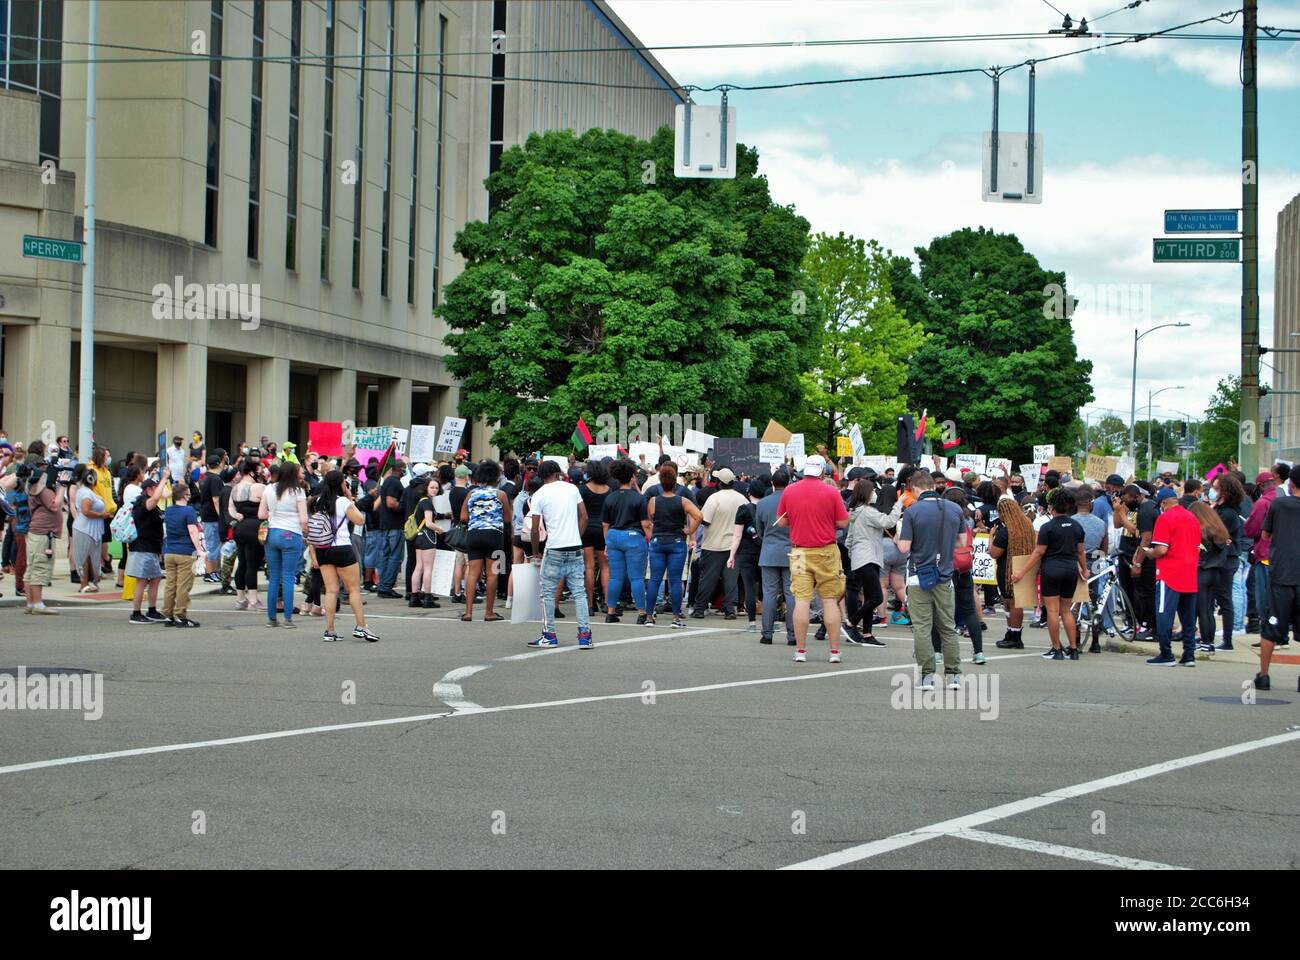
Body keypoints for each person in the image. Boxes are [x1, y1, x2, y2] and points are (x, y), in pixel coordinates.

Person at [777, 455, 849, 665]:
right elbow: (843, 522)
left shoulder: (790, 491)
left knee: (801, 600)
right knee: (829, 601)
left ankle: (801, 650)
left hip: (799, 552)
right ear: (823, 472)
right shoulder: (831, 491)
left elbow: (782, 522)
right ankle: (834, 652)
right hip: (826, 551)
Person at [896, 469, 964, 688]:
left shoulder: (912, 511)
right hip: (945, 575)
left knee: (922, 627)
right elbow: (961, 542)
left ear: (915, 488)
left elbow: (904, 547)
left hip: (919, 576)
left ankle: (927, 676)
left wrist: (899, 536)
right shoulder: (954, 509)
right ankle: (953, 674)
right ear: (933, 486)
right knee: (948, 626)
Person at [1012, 488, 1087, 660]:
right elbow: (1080, 552)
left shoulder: (1047, 527)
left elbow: (1038, 552)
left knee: (1053, 611)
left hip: (1052, 569)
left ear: (1052, 507)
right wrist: (1084, 569)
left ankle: (1056, 648)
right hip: (1071, 569)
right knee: (1066, 610)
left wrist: (1021, 573)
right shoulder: (1077, 526)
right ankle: (1074, 649)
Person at [307, 470, 379, 642]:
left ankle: (329, 631)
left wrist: (313, 554)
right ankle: (361, 626)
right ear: (341, 484)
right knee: (353, 589)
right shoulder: (343, 501)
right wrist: (350, 498)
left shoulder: (317, 502)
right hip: (342, 548)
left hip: (323, 548)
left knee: (331, 590)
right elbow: (359, 520)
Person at [527, 459, 592, 649]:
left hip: (554, 547)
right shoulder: (571, 489)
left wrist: (535, 551)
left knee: (547, 593)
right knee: (579, 592)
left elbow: (534, 528)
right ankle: (585, 635)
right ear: (557, 472)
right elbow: (584, 517)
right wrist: (576, 536)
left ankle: (549, 635)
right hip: (574, 546)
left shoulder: (539, 495)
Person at [1144, 487, 1201, 667]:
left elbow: (1161, 549)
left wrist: (1150, 553)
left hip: (1169, 572)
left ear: (1163, 503)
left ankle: (1166, 653)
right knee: (1188, 617)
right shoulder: (1192, 518)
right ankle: (1189, 654)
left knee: (1164, 614)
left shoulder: (1164, 518)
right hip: (1190, 571)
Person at [1255, 470, 1300, 690]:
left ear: (1291, 484)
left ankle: (1264, 675)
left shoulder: (1279, 505)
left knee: (1271, 627)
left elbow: (1265, 535)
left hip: (1282, 573)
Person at [842, 477, 900, 647]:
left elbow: (849, 540)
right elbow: (889, 522)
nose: (875, 494)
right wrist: (899, 504)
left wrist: (854, 555)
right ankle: (851, 623)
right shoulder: (868, 512)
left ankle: (867, 634)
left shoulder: (856, 512)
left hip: (862, 558)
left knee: (869, 596)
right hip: (869, 558)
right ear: (867, 493)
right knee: (876, 597)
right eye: (873, 491)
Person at [646, 462, 701, 631]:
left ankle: (649, 616)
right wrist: (690, 530)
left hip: (658, 541)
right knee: (676, 580)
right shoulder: (682, 500)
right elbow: (698, 515)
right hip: (677, 542)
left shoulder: (654, 501)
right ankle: (676, 617)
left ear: (660, 481)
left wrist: (656, 529)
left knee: (655, 579)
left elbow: (650, 521)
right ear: (675, 481)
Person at [458, 459, 511, 622]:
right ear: (496, 477)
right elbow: (508, 518)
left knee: (473, 573)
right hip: (495, 536)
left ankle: (468, 612)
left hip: (474, 535)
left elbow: (463, 517)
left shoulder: (471, 494)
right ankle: (489, 612)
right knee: (493, 573)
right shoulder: (500, 494)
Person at [258, 460, 309, 627]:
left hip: (272, 532)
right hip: (291, 533)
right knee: (288, 576)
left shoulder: (269, 488)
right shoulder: (298, 491)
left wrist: (274, 515)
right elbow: (303, 519)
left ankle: (272, 618)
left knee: (274, 577)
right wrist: (305, 532)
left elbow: (261, 514)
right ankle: (288, 618)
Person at [602, 459, 652, 625]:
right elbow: (645, 524)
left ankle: (610, 612)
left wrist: (607, 544)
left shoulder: (610, 497)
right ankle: (642, 613)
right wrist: (651, 540)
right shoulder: (638, 498)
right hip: (633, 537)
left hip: (613, 536)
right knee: (636, 577)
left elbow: (605, 525)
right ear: (632, 476)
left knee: (616, 577)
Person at [693, 467, 746, 620]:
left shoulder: (714, 499)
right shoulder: (741, 499)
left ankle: (699, 608)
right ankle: (730, 610)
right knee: (731, 581)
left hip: (713, 545)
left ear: (719, 482)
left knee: (708, 579)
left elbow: (705, 520)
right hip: (734, 546)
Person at [753, 467, 795, 645]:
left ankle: (767, 633)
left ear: (772, 483)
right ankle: (793, 635)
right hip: (791, 551)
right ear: (789, 483)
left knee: (769, 594)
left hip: (769, 551)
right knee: (791, 594)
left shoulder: (762, 503)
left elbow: (759, 529)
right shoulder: (795, 501)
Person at [1189, 500, 1237, 655]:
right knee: (1209, 609)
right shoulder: (1219, 530)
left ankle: (1204, 642)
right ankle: (1208, 642)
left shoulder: (1199, 530)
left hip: (1202, 571)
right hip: (1217, 572)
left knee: (1202, 608)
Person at [1114, 483, 1159, 641]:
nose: (1126, 502)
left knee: (1144, 593)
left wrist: (1138, 562)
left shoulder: (1146, 510)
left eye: (1128, 499)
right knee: (1131, 591)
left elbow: (1143, 536)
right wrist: (1118, 510)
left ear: (1138, 496)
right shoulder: (1134, 508)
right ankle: (1136, 622)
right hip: (1129, 554)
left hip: (1141, 555)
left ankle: (1149, 625)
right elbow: (1117, 524)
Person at [23, 448, 65, 615]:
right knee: (40, 566)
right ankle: (38, 604)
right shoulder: (42, 487)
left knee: (31, 567)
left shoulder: (31, 484)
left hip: (36, 532)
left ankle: (30, 603)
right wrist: (61, 488)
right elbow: (54, 506)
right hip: (43, 533)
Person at [161, 481, 205, 627]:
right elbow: (193, 531)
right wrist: (199, 549)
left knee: (170, 584)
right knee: (183, 585)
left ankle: (168, 614)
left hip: (170, 551)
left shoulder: (169, 510)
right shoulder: (189, 511)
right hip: (185, 552)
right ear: (185, 496)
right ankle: (180, 614)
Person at [125, 476, 169, 624]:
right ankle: (136, 613)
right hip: (143, 548)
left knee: (155, 579)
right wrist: (164, 478)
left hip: (152, 548)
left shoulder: (153, 505)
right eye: (156, 488)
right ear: (149, 490)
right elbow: (154, 500)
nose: (159, 491)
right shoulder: (143, 503)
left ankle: (152, 610)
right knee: (142, 581)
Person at [727, 479, 766, 633]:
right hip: (764, 551)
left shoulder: (743, 509)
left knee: (749, 587)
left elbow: (737, 536)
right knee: (767, 588)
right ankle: (769, 621)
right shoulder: (767, 508)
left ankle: (752, 623)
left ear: (749, 493)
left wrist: (731, 555)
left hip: (746, 552)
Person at [229, 460, 266, 611]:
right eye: (259, 470)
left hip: (239, 528)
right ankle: (252, 599)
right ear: (251, 472)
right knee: (252, 564)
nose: (261, 473)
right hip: (254, 528)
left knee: (242, 562)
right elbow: (268, 506)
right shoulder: (259, 487)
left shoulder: (234, 488)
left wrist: (237, 515)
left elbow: (231, 510)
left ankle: (240, 599)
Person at [579, 459, 612, 615]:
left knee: (589, 567)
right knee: (605, 567)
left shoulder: (583, 490)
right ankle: (606, 603)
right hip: (603, 529)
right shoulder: (608, 490)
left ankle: (590, 604)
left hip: (587, 529)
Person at [71, 465, 110, 593]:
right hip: (85, 529)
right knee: (84, 557)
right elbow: (86, 511)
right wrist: (102, 515)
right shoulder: (86, 493)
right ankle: (84, 584)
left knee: (91, 556)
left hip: (91, 529)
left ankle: (90, 582)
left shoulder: (87, 492)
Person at [375, 459, 407, 599]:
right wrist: (404, 507)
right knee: (395, 557)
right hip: (394, 525)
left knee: (386, 556)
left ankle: (383, 585)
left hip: (386, 525)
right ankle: (386, 587)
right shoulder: (394, 482)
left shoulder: (387, 481)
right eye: (404, 468)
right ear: (400, 469)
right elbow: (391, 503)